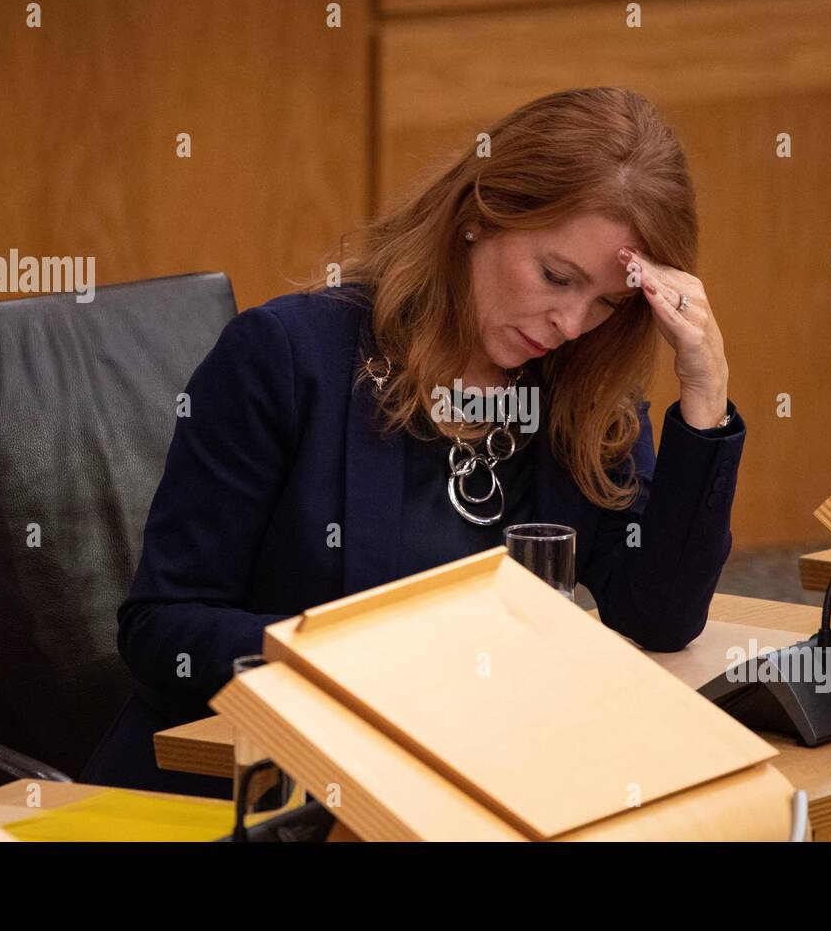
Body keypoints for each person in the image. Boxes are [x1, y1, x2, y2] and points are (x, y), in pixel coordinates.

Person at [81, 87, 745, 797]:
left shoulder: (582, 389)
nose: (572, 322)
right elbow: (162, 631)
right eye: (557, 277)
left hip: (477, 782)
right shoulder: (286, 358)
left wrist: (704, 397)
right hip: (265, 791)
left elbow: (660, 616)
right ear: (478, 215)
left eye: (608, 302)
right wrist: (373, 662)